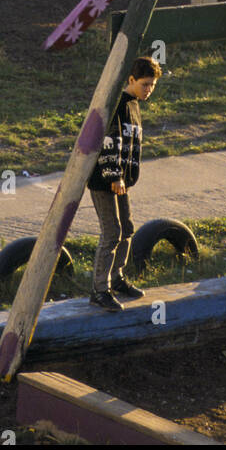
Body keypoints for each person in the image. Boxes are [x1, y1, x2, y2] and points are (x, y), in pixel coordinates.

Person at [87, 56, 162, 312]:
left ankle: (117, 279)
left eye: (152, 85)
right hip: (105, 181)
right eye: (145, 84)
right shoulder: (118, 103)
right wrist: (114, 175)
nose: (149, 89)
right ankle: (99, 290)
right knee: (111, 232)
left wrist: (124, 178)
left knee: (127, 229)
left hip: (121, 182)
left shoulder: (134, 104)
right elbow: (109, 139)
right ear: (131, 80)